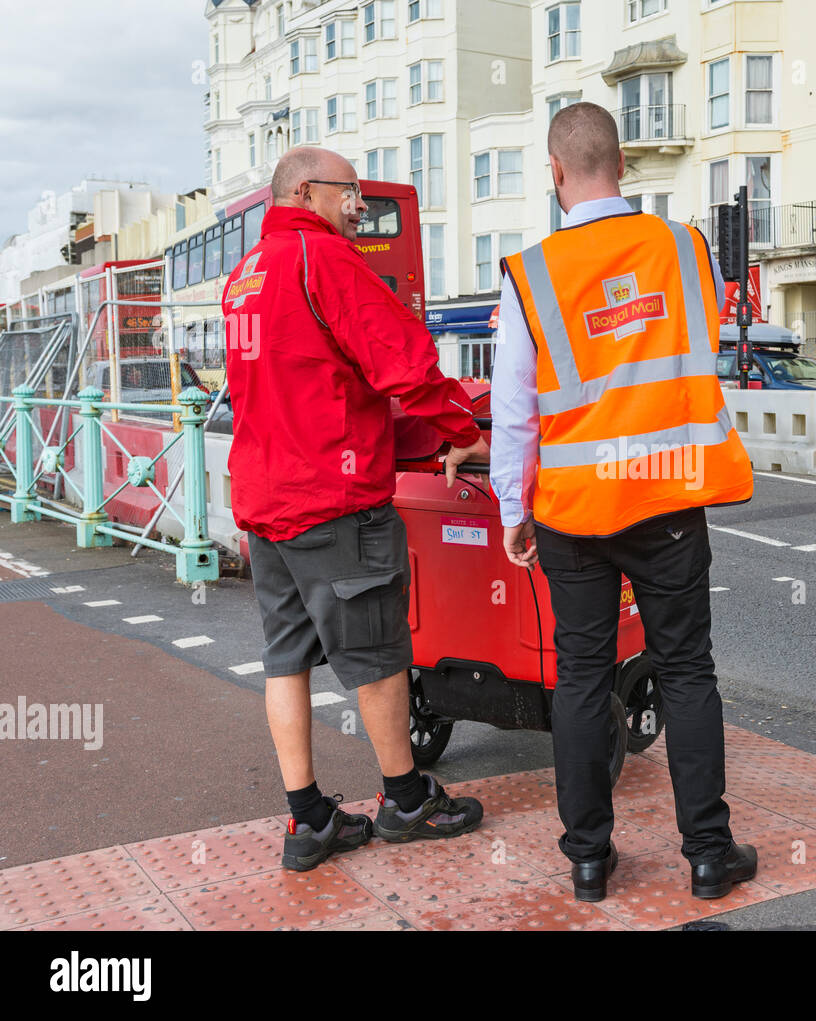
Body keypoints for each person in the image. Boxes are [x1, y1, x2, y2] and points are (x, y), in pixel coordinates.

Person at [490, 103, 758, 903]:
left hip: (574, 511)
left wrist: (514, 507)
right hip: (670, 495)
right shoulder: (684, 247)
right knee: (687, 670)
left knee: (579, 674)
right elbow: (699, 342)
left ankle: (588, 860)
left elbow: (515, 412)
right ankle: (708, 855)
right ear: (623, 165)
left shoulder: (530, 274)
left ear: (556, 171)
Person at [222, 146, 489, 872]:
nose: (360, 207)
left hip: (264, 500)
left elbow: (303, 379)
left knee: (286, 661)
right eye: (351, 194)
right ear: (306, 190)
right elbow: (405, 363)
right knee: (376, 657)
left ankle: (308, 819)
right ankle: (406, 799)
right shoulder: (327, 261)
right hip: (331, 498)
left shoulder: (243, 276)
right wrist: (462, 431)